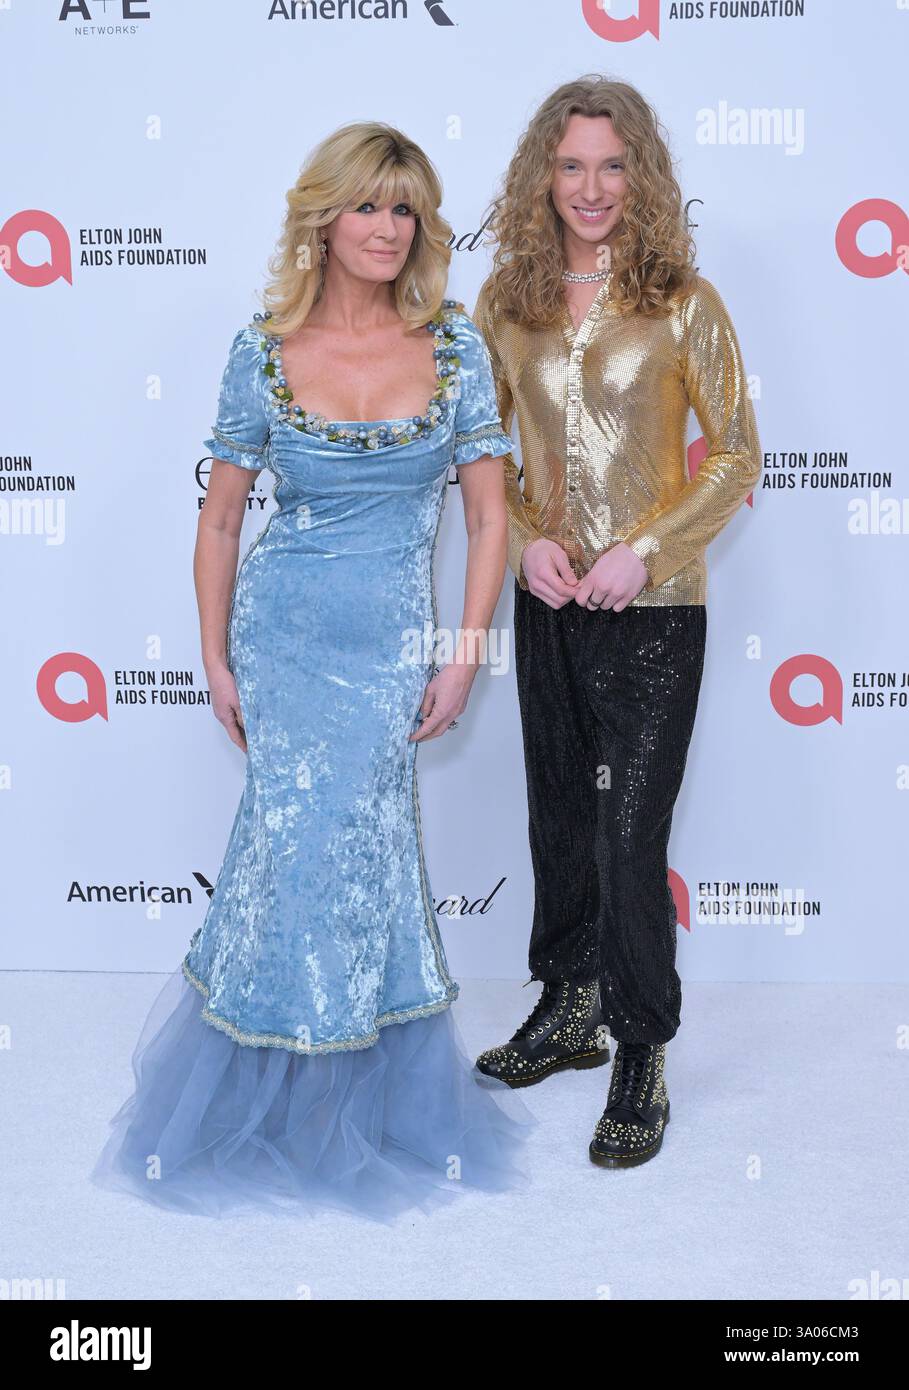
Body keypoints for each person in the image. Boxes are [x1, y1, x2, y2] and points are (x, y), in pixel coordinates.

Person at [91, 121, 533, 1219]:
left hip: (391, 649)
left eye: (406, 209)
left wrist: (464, 654)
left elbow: (489, 523)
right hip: (285, 643)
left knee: (365, 859)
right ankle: (278, 1104)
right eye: (368, 205)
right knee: (292, 860)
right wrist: (212, 656)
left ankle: (356, 1105)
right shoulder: (261, 349)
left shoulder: (457, 348)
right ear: (323, 218)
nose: (388, 228)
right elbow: (223, 518)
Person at [472, 76, 762, 1168]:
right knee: (558, 816)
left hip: (655, 611)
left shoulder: (685, 298)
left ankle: (641, 1045)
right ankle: (569, 1005)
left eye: (612, 165)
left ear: (639, 175)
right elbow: (483, 449)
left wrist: (643, 549)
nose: (591, 188)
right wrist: (530, 540)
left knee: (631, 836)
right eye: (571, 165)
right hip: (546, 604)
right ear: (542, 176)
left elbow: (738, 453)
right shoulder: (507, 300)